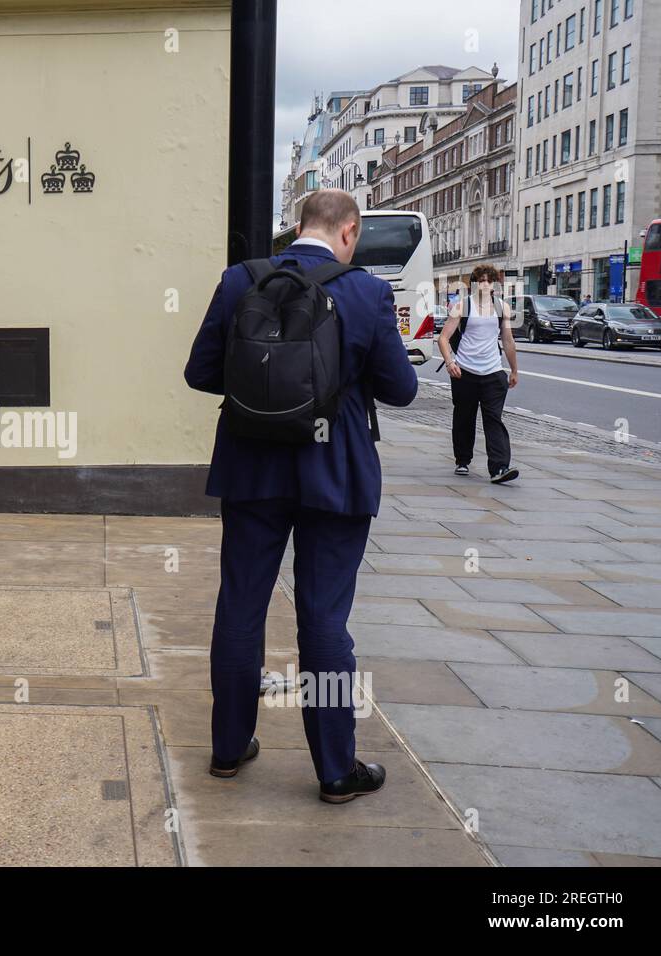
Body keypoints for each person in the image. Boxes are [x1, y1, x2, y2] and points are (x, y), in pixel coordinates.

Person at [184, 189, 418, 803]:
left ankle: (229, 751)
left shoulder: (241, 281)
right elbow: (401, 389)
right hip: (335, 473)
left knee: (240, 608)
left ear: (296, 228)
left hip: (251, 469)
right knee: (323, 621)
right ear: (349, 232)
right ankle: (336, 771)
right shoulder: (366, 291)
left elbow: (201, 371)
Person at [438, 264, 520, 483]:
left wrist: (513, 370)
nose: (485, 284)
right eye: (480, 280)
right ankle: (463, 460)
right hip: (465, 371)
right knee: (464, 416)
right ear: (474, 283)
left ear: (494, 284)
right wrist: (450, 362)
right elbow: (443, 338)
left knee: (494, 418)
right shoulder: (461, 307)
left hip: (493, 371)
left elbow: (508, 340)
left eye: (488, 280)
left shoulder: (501, 307)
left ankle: (499, 468)